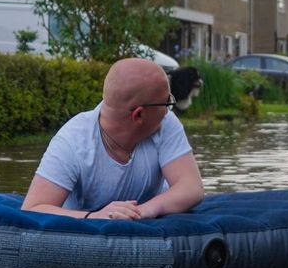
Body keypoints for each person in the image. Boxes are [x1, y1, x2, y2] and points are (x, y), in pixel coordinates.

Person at [23, 58, 205, 220]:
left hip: (151, 223)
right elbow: (33, 208)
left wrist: (143, 211)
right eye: (167, 102)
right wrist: (94, 217)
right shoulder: (72, 142)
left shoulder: (166, 122)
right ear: (139, 115)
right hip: (87, 229)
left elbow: (191, 188)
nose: (168, 109)